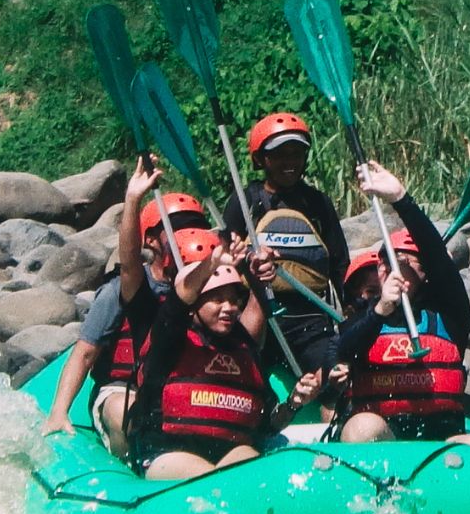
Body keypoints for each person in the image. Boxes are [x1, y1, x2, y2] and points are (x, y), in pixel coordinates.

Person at [330, 161, 470, 455]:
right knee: (362, 429)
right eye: (385, 262)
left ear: (425, 274)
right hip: (382, 440)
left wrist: (400, 199)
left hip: (440, 444)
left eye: (405, 262)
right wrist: (381, 309)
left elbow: (438, 259)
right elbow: (342, 349)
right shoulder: (361, 317)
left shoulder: (449, 315)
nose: (392, 268)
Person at [39, 162, 206, 456]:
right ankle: (130, 462)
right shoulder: (120, 290)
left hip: (181, 387)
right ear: (150, 239)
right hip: (123, 388)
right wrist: (59, 411)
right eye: (176, 228)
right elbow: (85, 352)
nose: (186, 233)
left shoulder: (210, 287)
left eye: (194, 227)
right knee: (126, 411)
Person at [131, 237, 323, 479]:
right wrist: (212, 262)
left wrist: (294, 402)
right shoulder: (169, 342)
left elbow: (267, 427)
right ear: (194, 305)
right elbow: (176, 305)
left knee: (246, 455)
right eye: (217, 299)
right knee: (213, 477)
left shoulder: (245, 351)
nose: (229, 307)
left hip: (227, 460)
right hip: (167, 457)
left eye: (233, 300)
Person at [222, 111, 349, 373]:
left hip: (309, 318)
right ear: (261, 159)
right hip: (256, 314)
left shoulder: (317, 203)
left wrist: (351, 308)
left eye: (296, 154)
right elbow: (225, 258)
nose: (289, 162)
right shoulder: (245, 202)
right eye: (279, 154)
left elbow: (339, 263)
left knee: (334, 374)